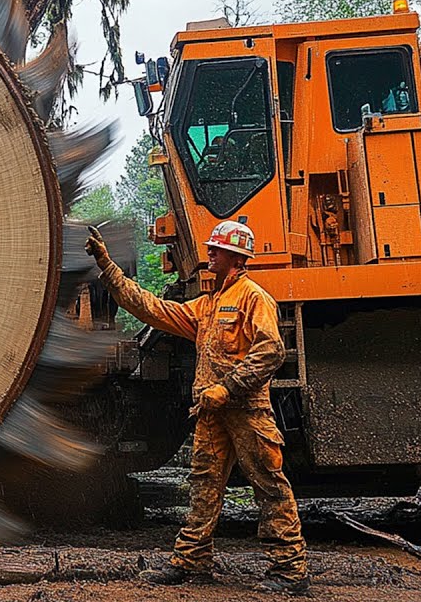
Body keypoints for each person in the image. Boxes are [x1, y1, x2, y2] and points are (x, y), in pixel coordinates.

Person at [85, 220, 309, 595]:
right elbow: (152, 308)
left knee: (269, 485)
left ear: (236, 258)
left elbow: (271, 350)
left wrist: (227, 387)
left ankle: (290, 568)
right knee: (204, 486)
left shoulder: (254, 298)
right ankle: (192, 561)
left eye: (215, 249)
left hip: (247, 413)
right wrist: (108, 267)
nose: (208, 254)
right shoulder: (207, 305)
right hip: (211, 413)